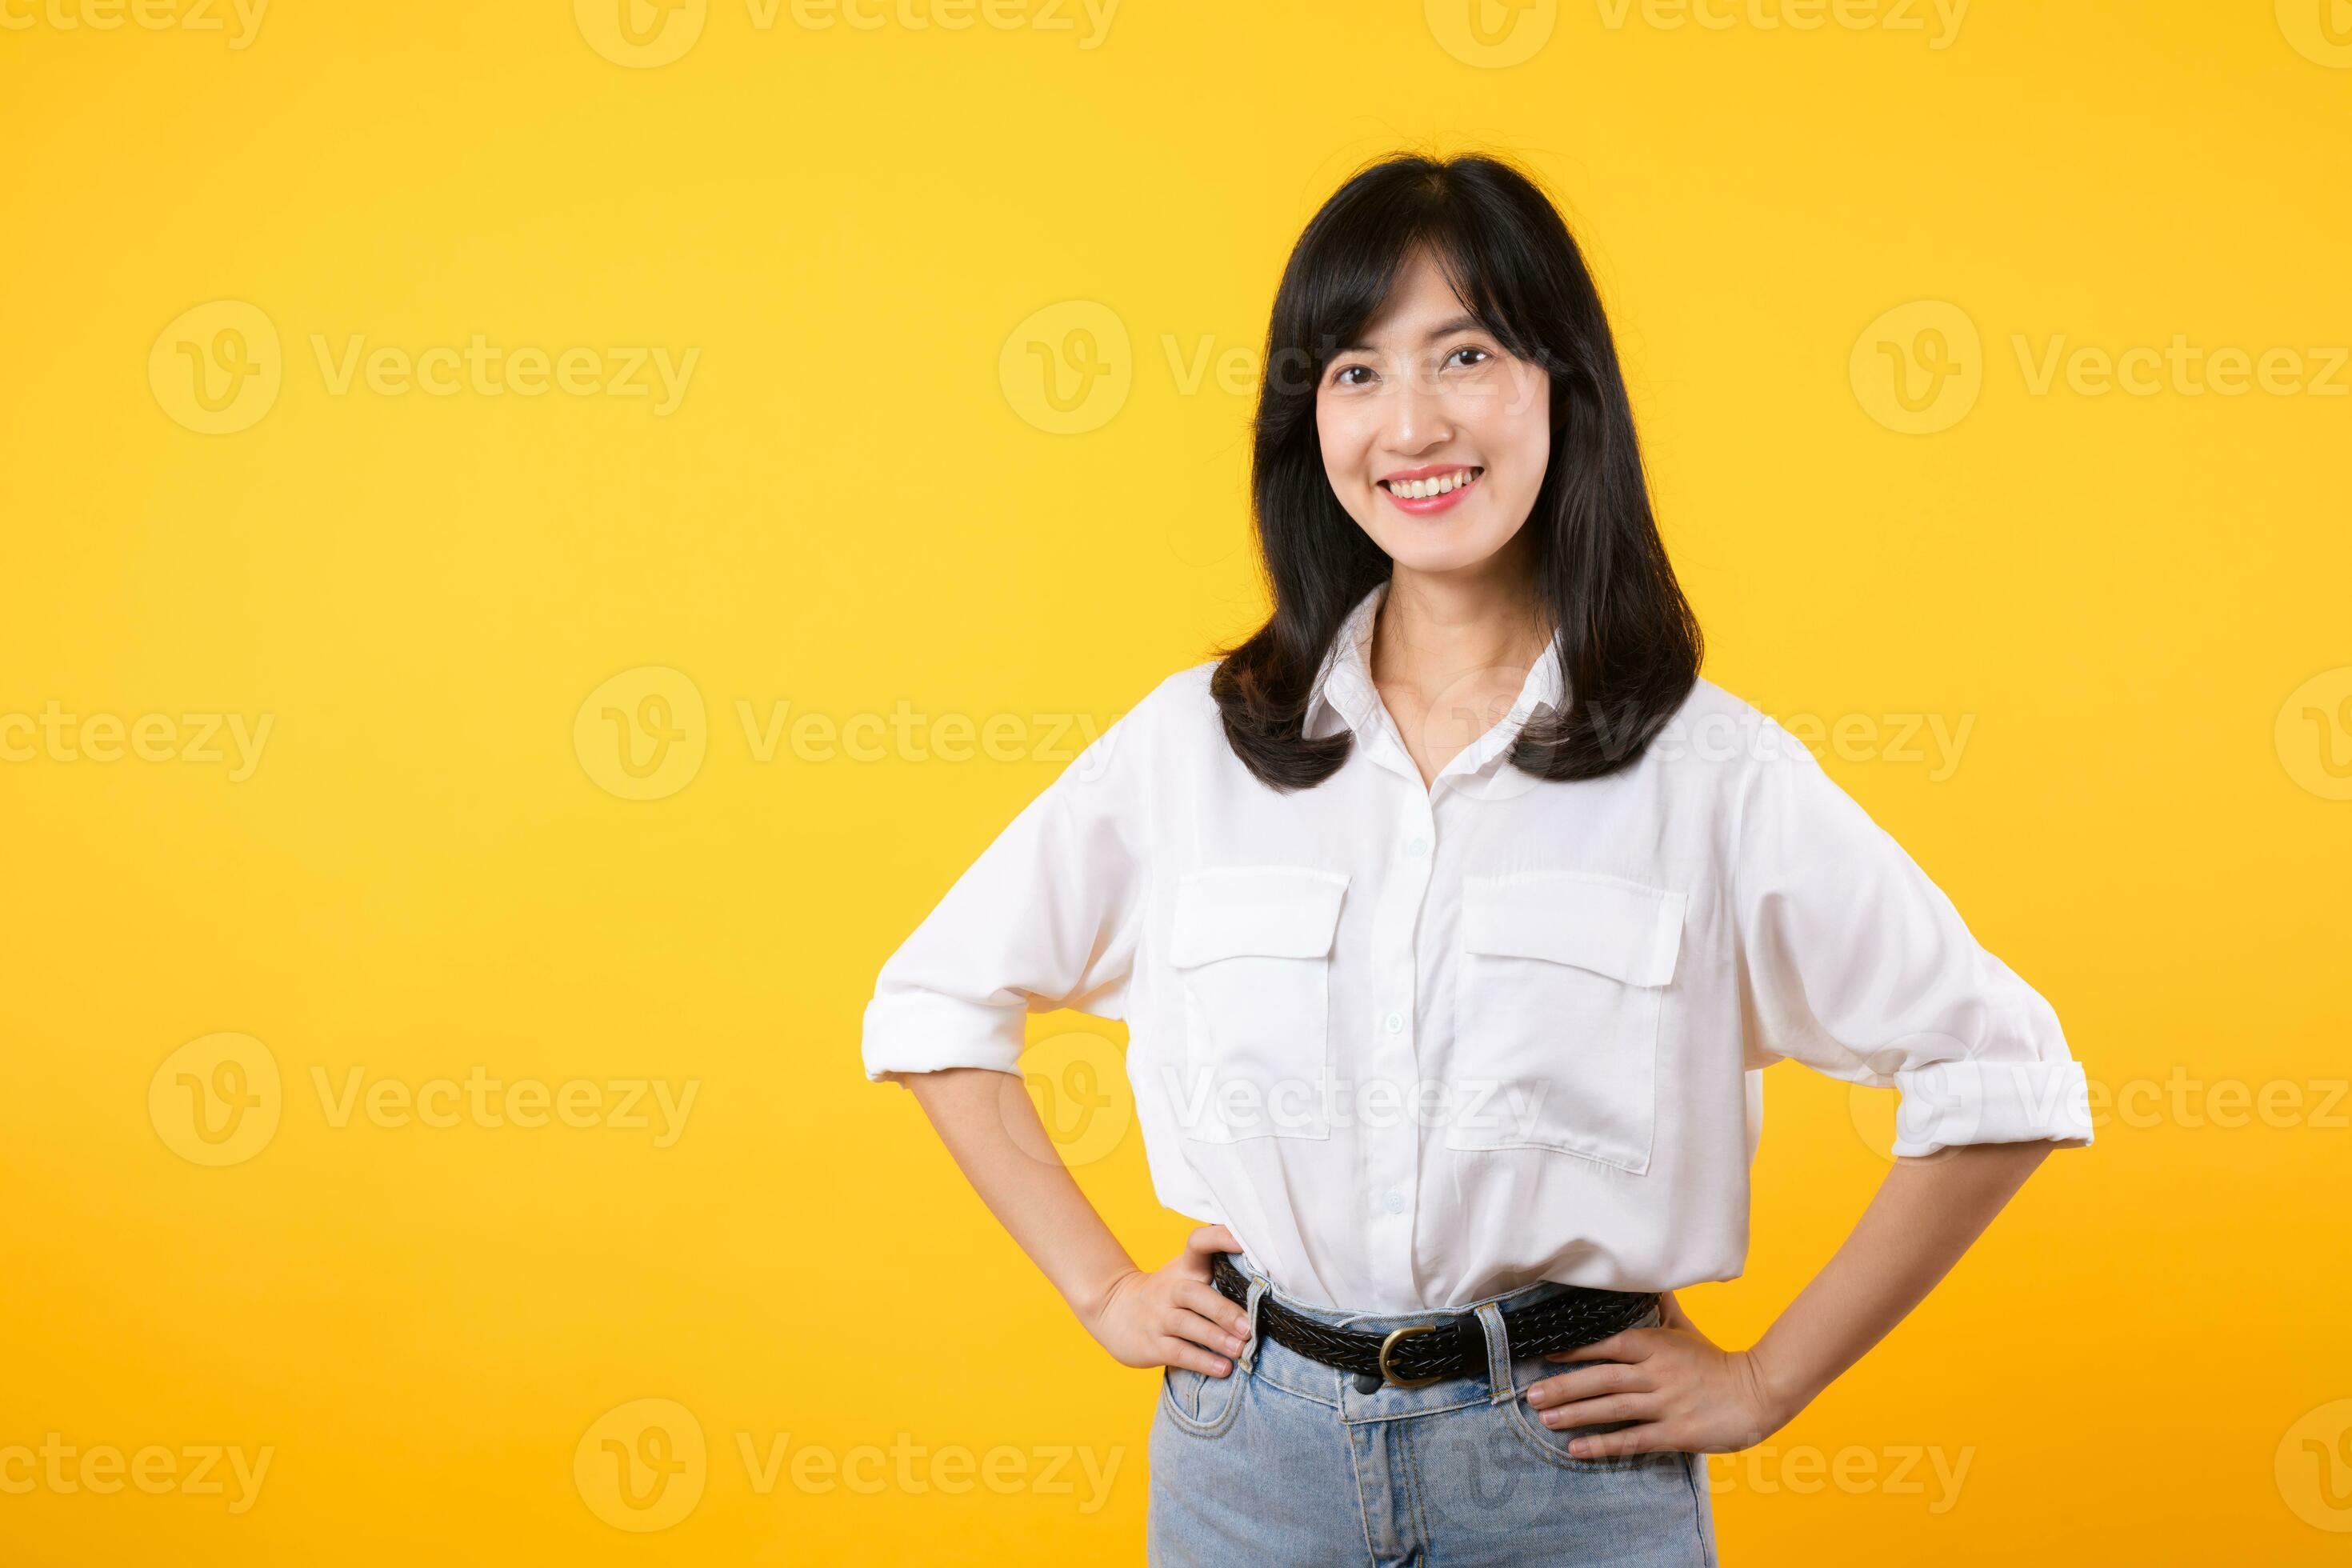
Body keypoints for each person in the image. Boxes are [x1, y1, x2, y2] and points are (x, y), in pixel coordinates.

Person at [859, 150, 2094, 1566]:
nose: (1413, 422)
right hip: (1244, 1470)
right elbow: (937, 1003)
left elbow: (2001, 1073)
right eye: (1355, 371)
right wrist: (1101, 1294)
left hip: (1565, 1476)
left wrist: (1766, 1384)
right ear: (1306, 418)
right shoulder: (1196, 747)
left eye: (1467, 353)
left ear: (1564, 386)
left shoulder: (1711, 770)